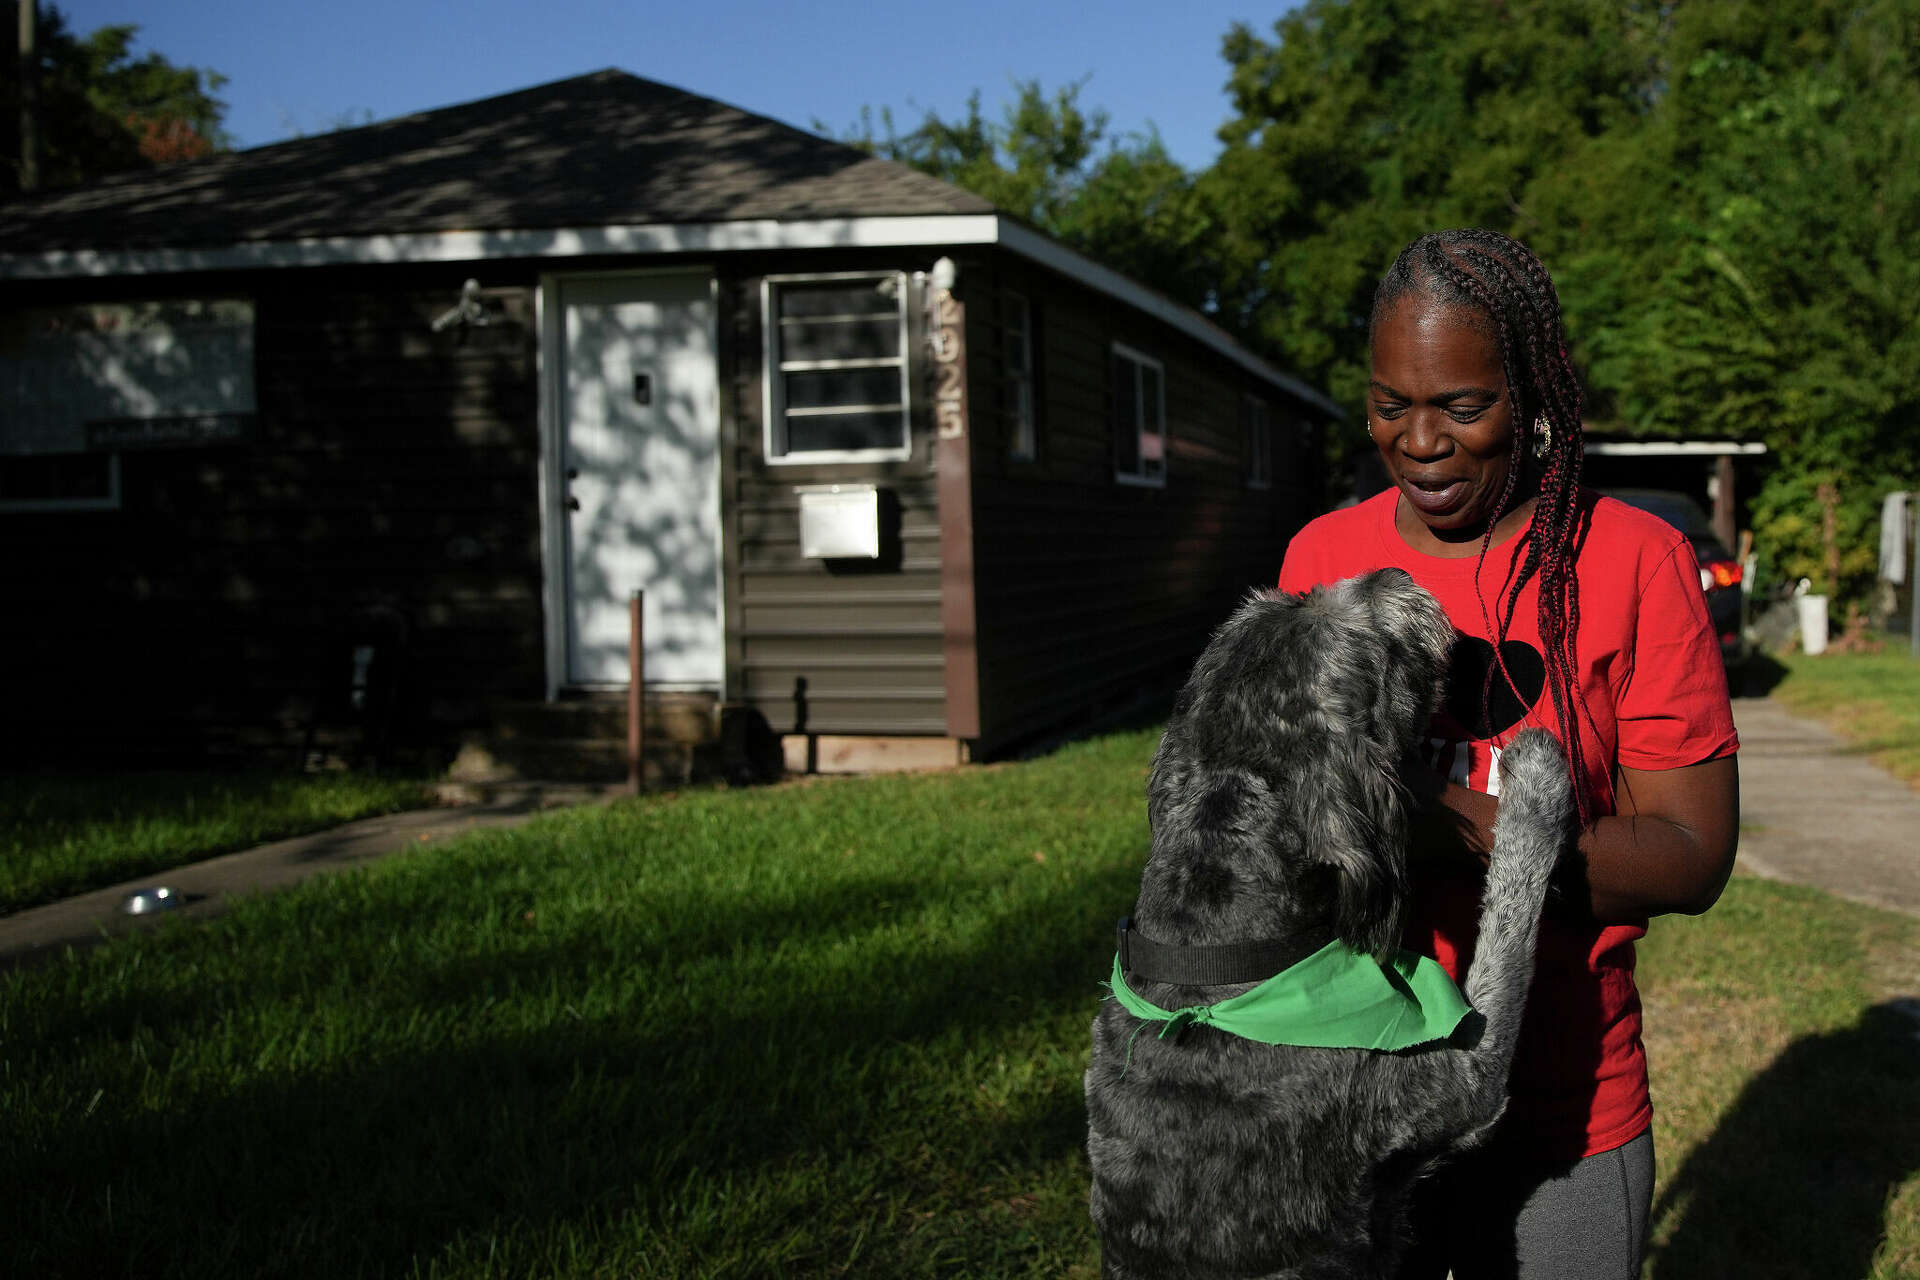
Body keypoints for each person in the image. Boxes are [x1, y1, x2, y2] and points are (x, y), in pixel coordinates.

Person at [1276, 229, 1740, 1280]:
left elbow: (1690, 851)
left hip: (1560, 1101)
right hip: (1352, 1090)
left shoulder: (1632, 559)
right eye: (1391, 404)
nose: (1421, 441)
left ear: (1531, 394)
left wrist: (1431, 819)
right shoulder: (1323, 558)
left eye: (1461, 405)